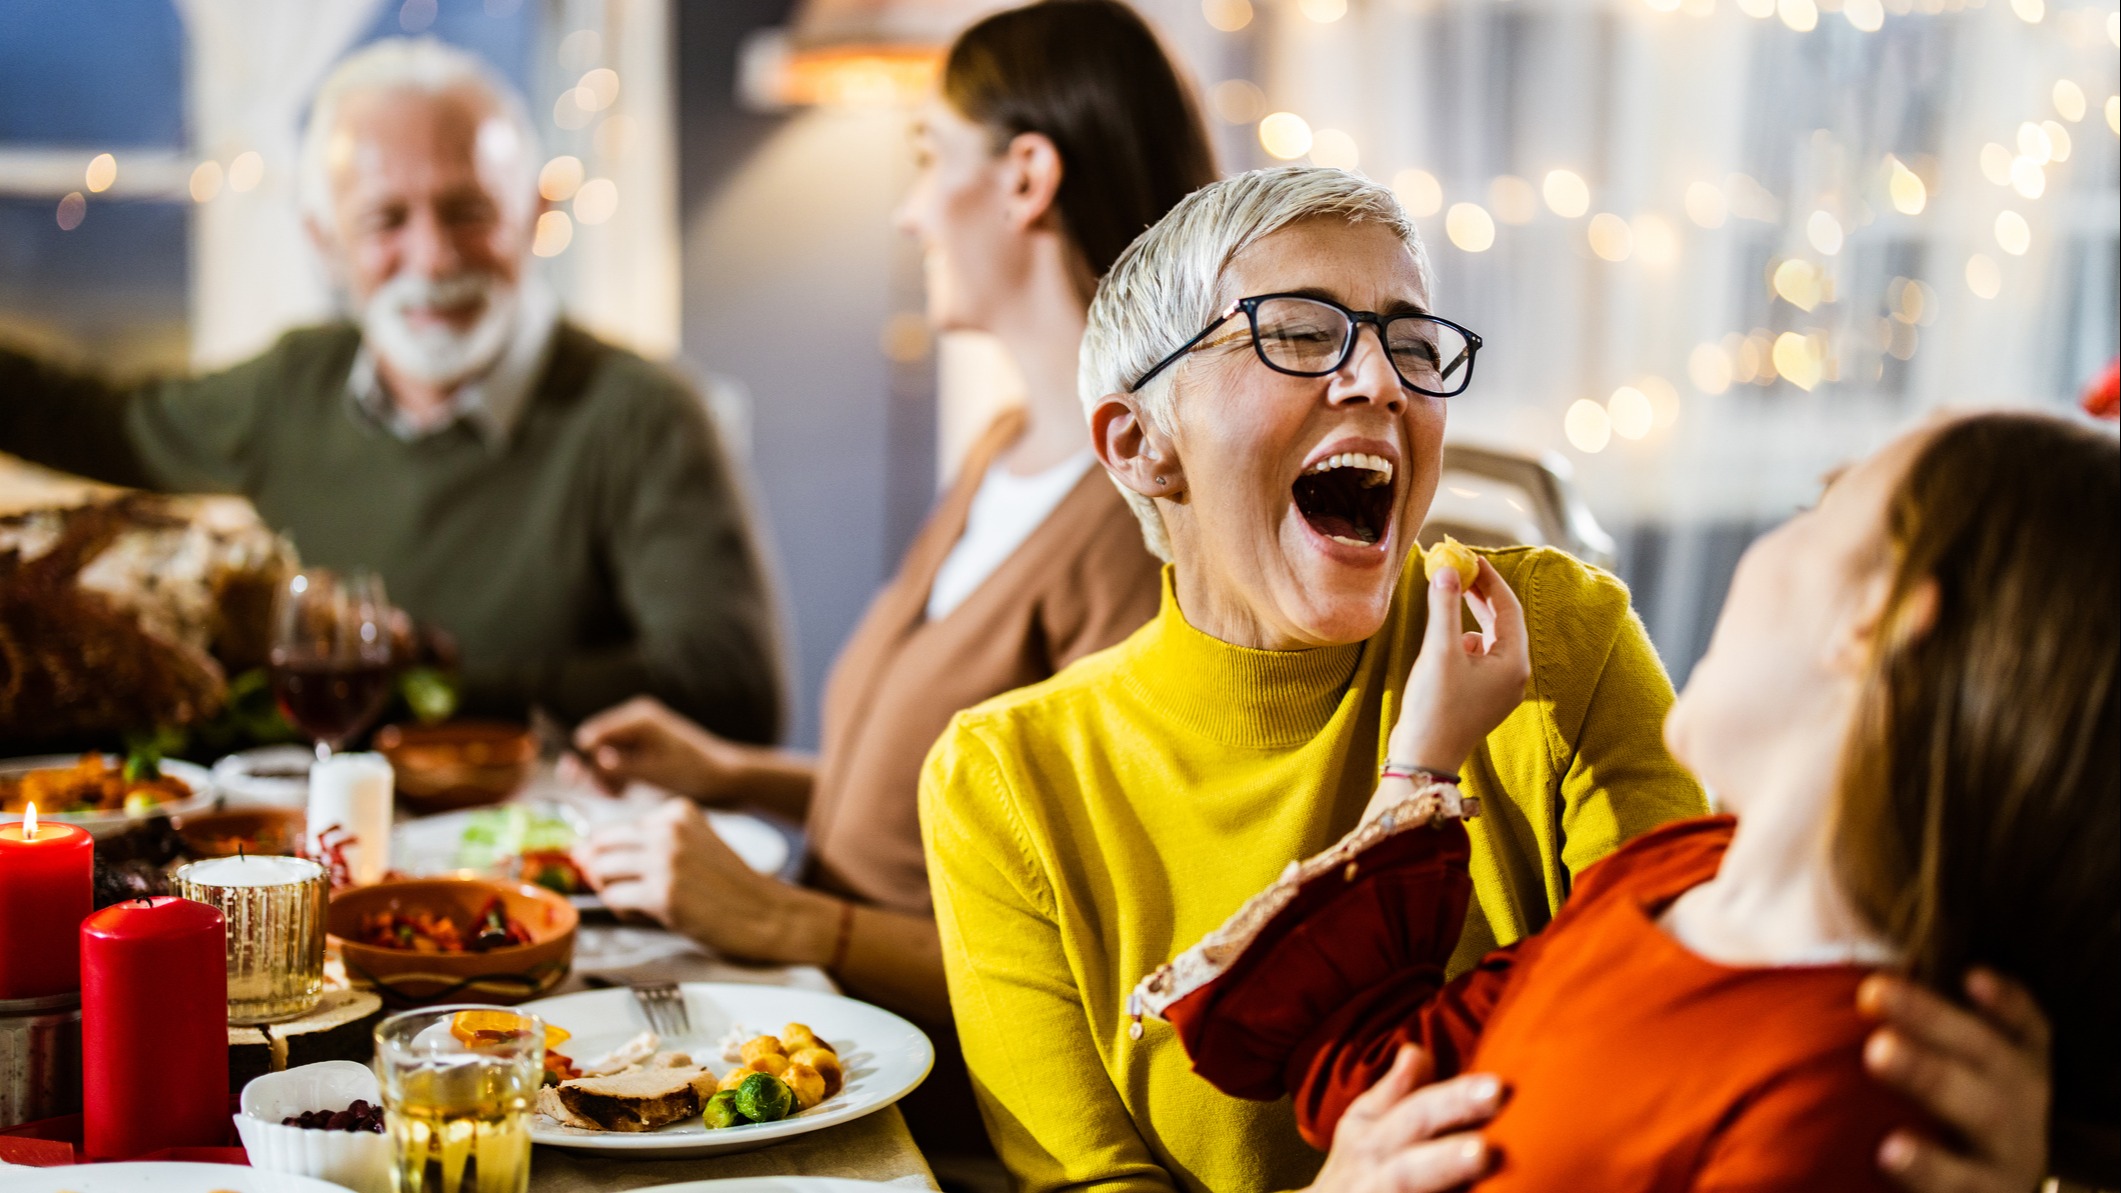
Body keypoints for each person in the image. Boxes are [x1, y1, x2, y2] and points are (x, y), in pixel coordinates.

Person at [915, 165, 1708, 1193]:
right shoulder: (1005, 780)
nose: (1380, 380)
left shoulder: (1555, 637)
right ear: (1141, 443)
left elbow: (1683, 1029)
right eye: (1298, 332)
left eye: (1413, 345)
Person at [1147, 412, 2117, 1192]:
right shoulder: (1673, 871)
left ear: (1876, 622)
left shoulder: (1854, 1104)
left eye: (1820, 511)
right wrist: (1423, 763)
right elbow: (1386, 1077)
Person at [564, 0, 1215, 1157]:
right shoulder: (1004, 450)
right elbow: (957, 812)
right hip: (826, 1026)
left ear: (1026, 177)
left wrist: (774, 914)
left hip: (941, 1120)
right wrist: (739, 773)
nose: (910, 210)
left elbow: (1105, 962)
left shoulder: (1133, 524)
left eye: (926, 158)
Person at [0, 38, 782, 737]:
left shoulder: (645, 415)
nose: (434, 257)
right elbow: (100, 421)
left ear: (535, 213)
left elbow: (730, 686)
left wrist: (417, 689)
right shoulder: (292, 386)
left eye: (468, 210)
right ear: (325, 243)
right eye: (386, 220)